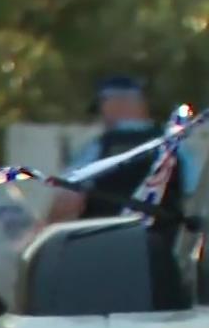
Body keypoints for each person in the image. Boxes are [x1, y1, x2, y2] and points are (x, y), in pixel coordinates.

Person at [42, 75, 198, 226]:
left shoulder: (99, 148)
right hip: (160, 244)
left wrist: (43, 231)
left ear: (111, 105)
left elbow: (68, 200)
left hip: (106, 244)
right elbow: (195, 194)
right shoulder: (176, 145)